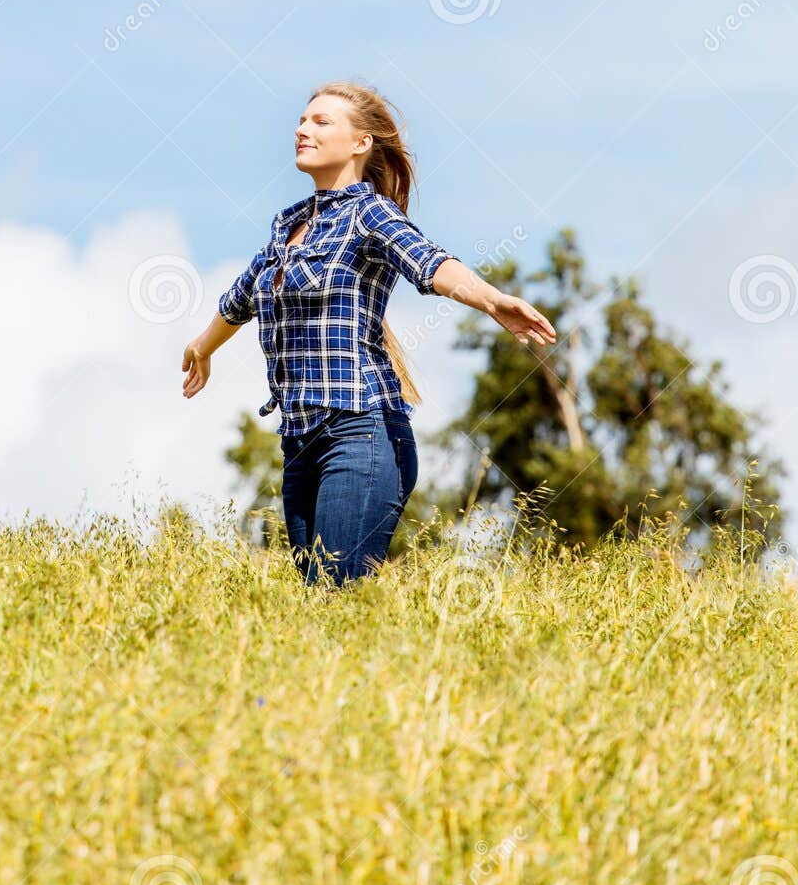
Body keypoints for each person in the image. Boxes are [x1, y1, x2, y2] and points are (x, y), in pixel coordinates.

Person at [181, 81, 556, 587]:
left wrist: (491, 300)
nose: (301, 128)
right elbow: (240, 300)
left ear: (361, 144)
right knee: (319, 603)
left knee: (335, 593)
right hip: (299, 443)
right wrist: (202, 348)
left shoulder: (369, 214)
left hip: (361, 434)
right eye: (302, 119)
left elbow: (428, 261)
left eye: (320, 122)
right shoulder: (286, 230)